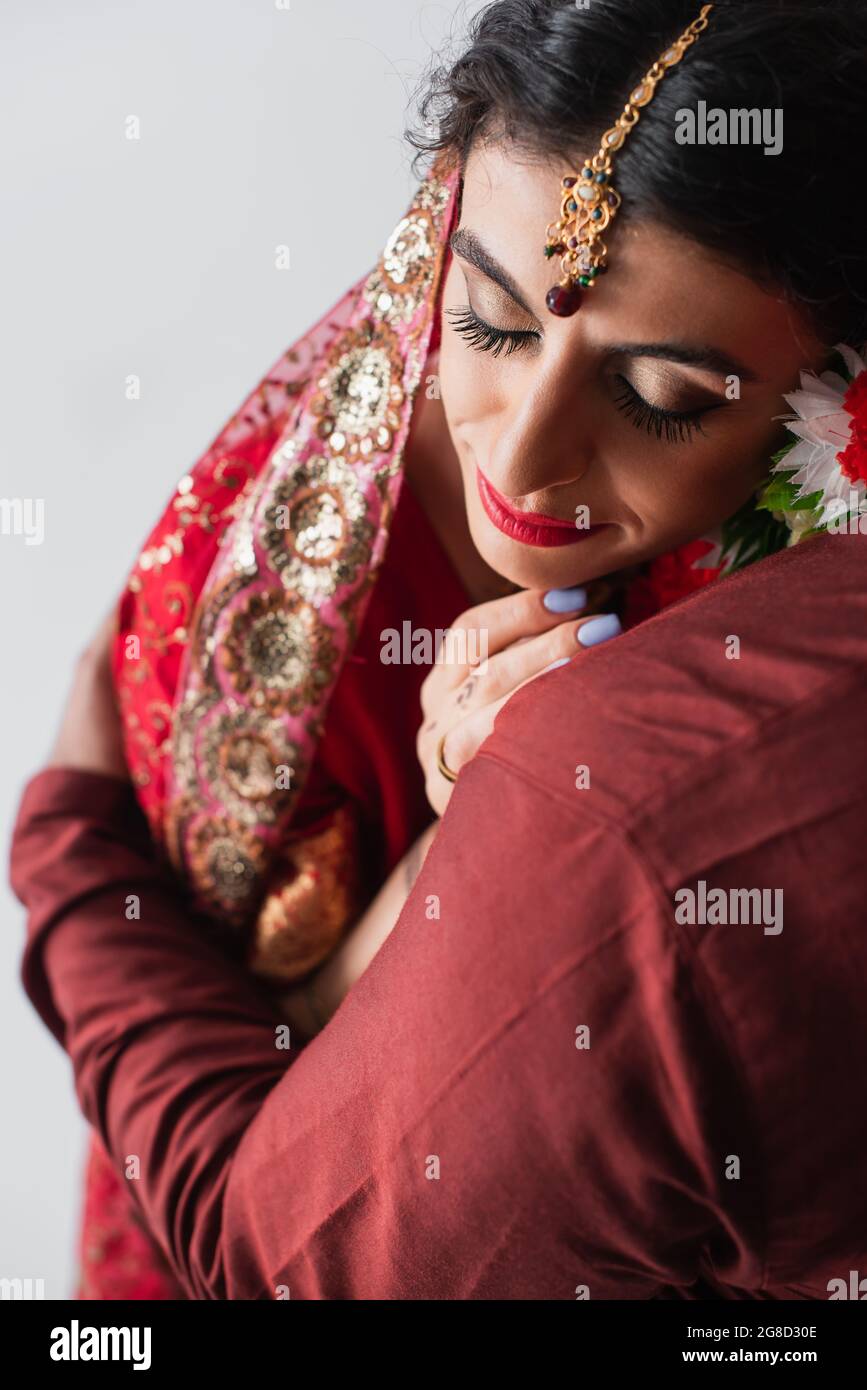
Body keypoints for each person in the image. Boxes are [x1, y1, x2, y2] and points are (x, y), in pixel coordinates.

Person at [17, 0, 867, 1296]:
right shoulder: (318, 572)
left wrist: (518, 827)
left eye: (658, 399)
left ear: (838, 396)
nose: (521, 458)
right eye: (486, 319)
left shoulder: (785, 663)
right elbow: (283, 1076)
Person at [11, 528, 867, 1298]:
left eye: (660, 395)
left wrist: (71, 858)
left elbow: (274, 1266)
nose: (525, 460)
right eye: (489, 338)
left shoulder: (639, 861)